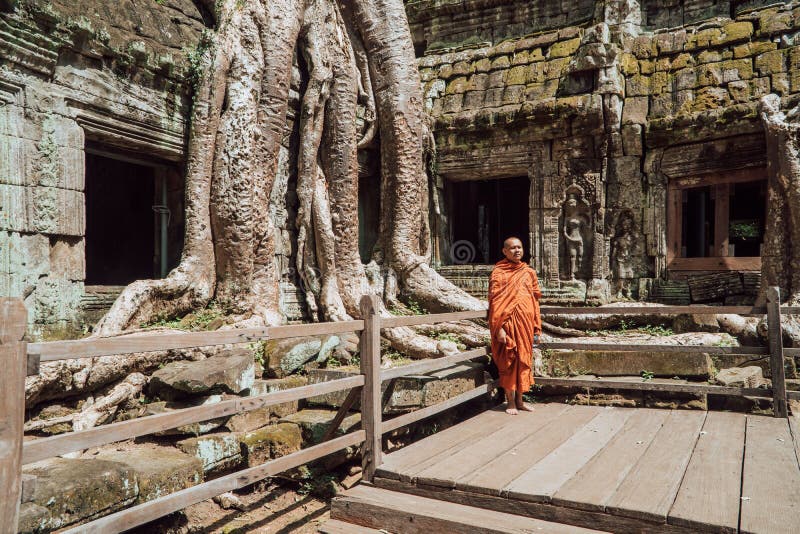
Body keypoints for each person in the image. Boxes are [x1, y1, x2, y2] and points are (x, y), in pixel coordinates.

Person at [488, 237, 542, 415]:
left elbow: (534, 303)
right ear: (504, 251)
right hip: (508, 325)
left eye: (519, 247)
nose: (516, 250)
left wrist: (536, 327)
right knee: (509, 363)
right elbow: (495, 303)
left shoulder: (529, 272)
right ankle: (509, 401)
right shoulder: (498, 273)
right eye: (512, 248)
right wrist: (499, 328)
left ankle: (520, 400)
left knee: (524, 361)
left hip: (526, 325)